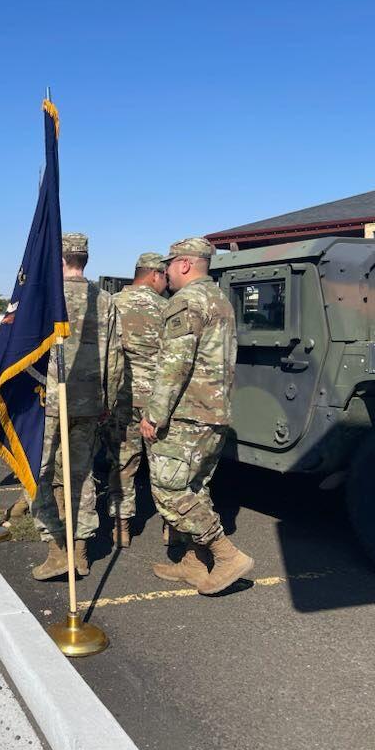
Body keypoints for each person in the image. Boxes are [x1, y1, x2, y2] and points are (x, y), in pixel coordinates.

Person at [139, 236, 254, 595]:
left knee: (170, 492)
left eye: (170, 264)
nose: (166, 272)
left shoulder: (185, 302)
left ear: (185, 264)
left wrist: (155, 414)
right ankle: (193, 561)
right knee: (196, 487)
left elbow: (174, 366)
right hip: (214, 414)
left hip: (186, 417)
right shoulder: (220, 299)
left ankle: (226, 554)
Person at [32, 232, 120, 580]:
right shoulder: (107, 300)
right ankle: (81, 553)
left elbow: (25, 356)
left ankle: (57, 551)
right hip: (89, 404)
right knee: (81, 476)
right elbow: (114, 358)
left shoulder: (45, 298)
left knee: (40, 477)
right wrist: (107, 402)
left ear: (60, 259)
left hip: (49, 403)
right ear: (85, 259)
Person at [106, 252, 172, 548]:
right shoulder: (167, 307)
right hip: (157, 402)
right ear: (155, 275)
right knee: (163, 465)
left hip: (121, 398)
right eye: (165, 279)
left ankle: (121, 527)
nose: (166, 284)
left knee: (122, 462)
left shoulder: (112, 303)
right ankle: (173, 526)